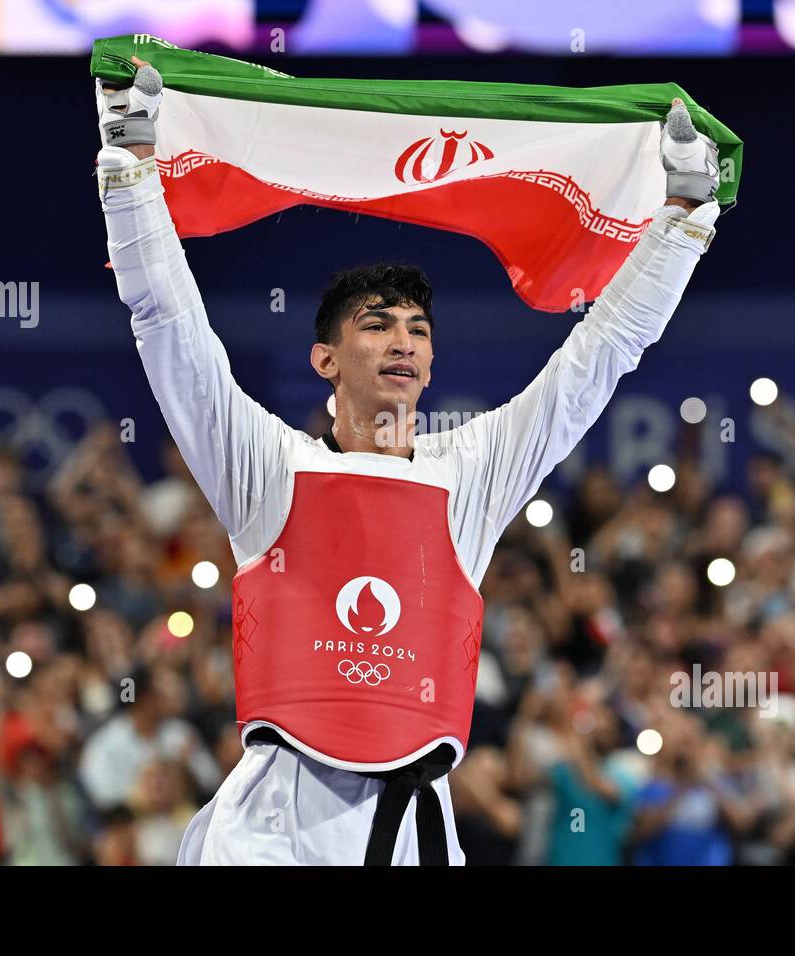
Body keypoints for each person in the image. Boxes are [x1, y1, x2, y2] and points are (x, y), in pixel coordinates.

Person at [94, 56, 722, 865]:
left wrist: (681, 221)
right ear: (325, 358)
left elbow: (599, 356)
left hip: (416, 832)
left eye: (417, 330)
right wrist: (131, 167)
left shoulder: (471, 476)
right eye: (377, 324)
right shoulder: (268, 470)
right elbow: (169, 327)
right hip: (270, 833)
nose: (402, 342)